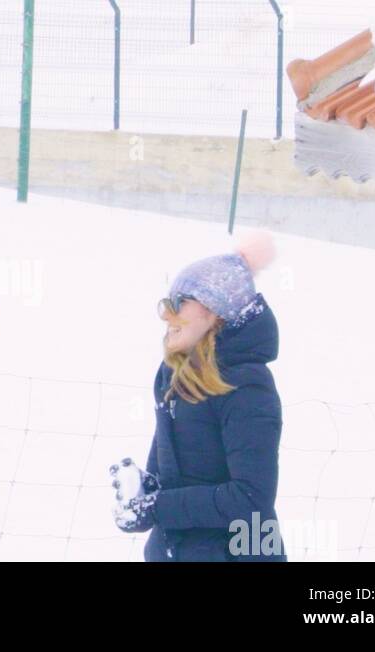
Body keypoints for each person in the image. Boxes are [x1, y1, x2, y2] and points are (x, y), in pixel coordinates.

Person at [111, 232, 286, 562]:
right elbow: (171, 482)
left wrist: (158, 507)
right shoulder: (174, 377)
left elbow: (251, 498)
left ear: (215, 311)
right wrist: (142, 499)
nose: (167, 314)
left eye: (179, 302)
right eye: (166, 302)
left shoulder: (247, 387)